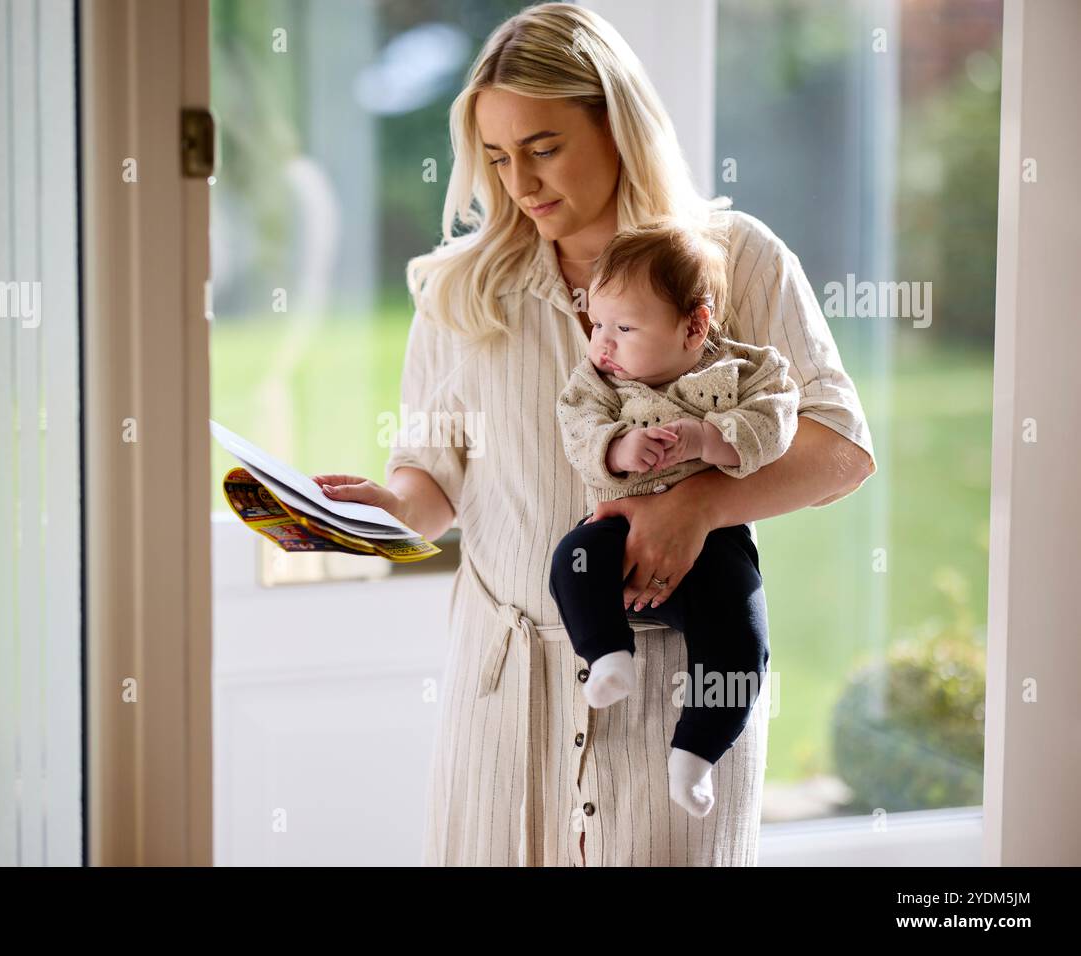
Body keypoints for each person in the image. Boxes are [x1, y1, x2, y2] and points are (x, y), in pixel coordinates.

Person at [312, 2, 875, 866]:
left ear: (617, 124)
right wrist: (383, 512)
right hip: (502, 704)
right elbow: (430, 480)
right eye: (498, 158)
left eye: (544, 147)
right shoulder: (462, 291)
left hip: (683, 694)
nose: (521, 184)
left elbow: (838, 450)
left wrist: (697, 505)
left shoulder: (738, 259)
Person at [547, 218, 798, 820]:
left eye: (624, 328)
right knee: (572, 560)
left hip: (717, 542)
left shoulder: (744, 371)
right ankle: (608, 655)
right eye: (597, 324)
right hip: (620, 527)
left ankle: (697, 751)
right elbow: (577, 429)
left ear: (695, 326)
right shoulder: (600, 383)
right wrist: (617, 448)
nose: (602, 344)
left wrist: (707, 438)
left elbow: (777, 423)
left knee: (741, 639)